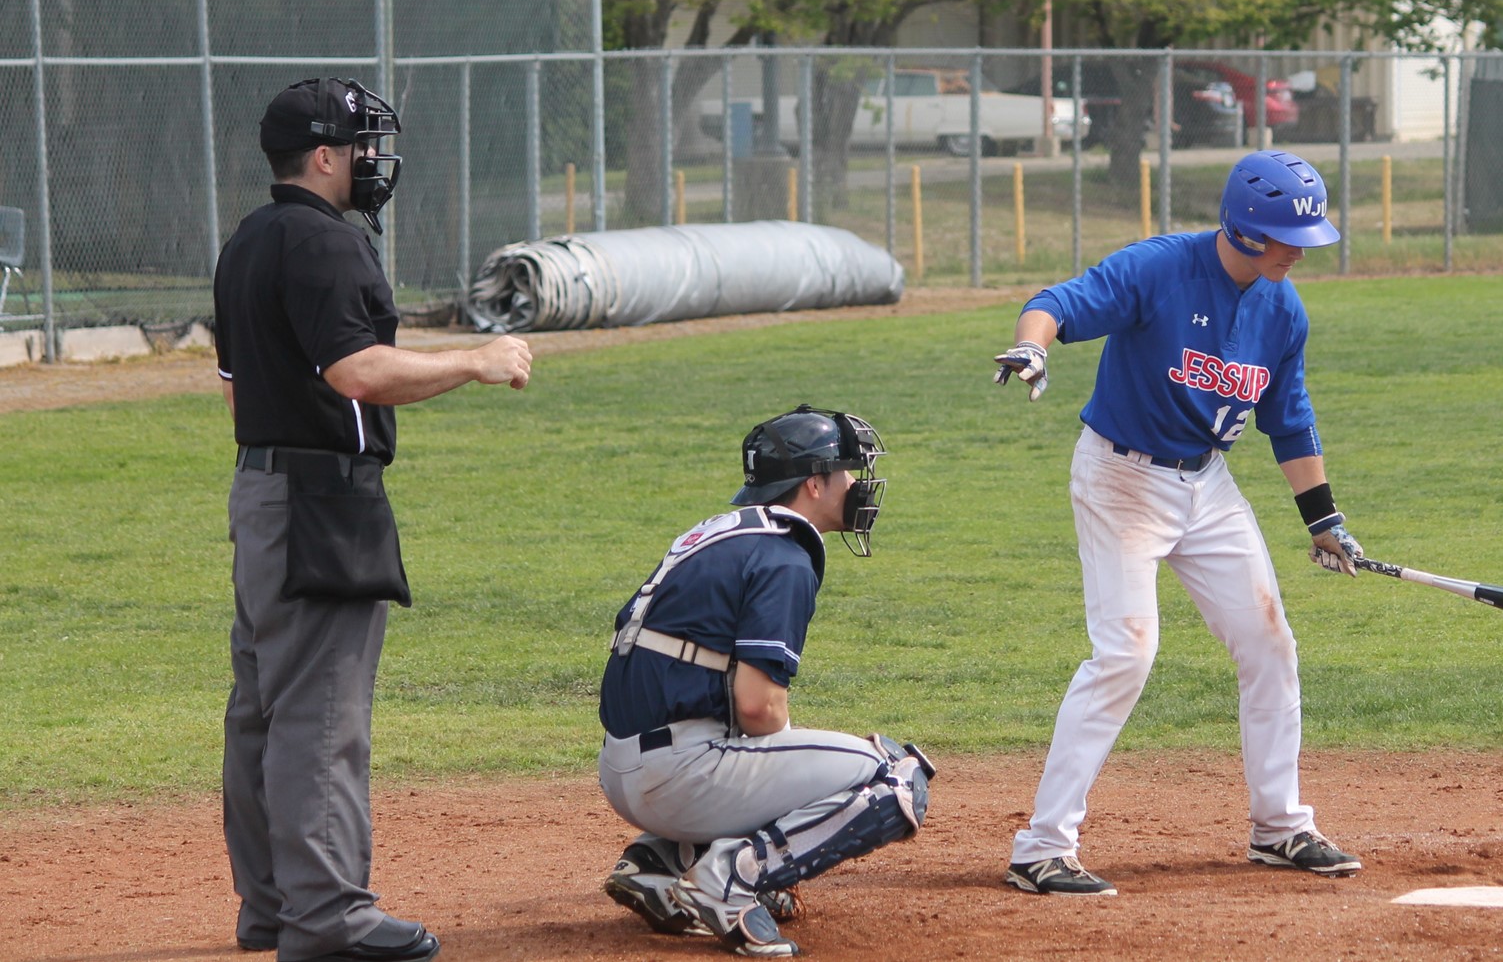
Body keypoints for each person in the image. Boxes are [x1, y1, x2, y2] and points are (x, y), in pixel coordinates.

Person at [214, 78, 534, 962]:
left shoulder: (248, 241)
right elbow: (355, 373)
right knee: (320, 714)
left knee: (265, 709)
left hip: (262, 493)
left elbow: (239, 386)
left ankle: (274, 907)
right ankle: (328, 919)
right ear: (323, 156)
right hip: (320, 501)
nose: (373, 163)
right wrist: (475, 361)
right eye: (362, 147)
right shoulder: (323, 243)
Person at [990, 148, 1363, 896]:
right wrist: (1032, 345)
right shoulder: (1160, 269)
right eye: (1291, 237)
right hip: (1121, 479)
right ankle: (1041, 845)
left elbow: (1289, 422)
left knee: (1268, 641)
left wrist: (1323, 520)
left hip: (1208, 485)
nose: (1301, 251)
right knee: (1126, 653)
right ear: (1248, 229)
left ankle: (1279, 825)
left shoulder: (1282, 307)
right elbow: (1058, 301)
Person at [597, 405, 934, 959]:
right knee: (896, 775)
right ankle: (728, 880)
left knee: (778, 751)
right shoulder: (783, 557)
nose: (857, 485)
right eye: (848, 472)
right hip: (680, 774)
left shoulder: (721, 533)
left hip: (623, 767)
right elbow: (758, 708)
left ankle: (659, 862)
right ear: (814, 483)